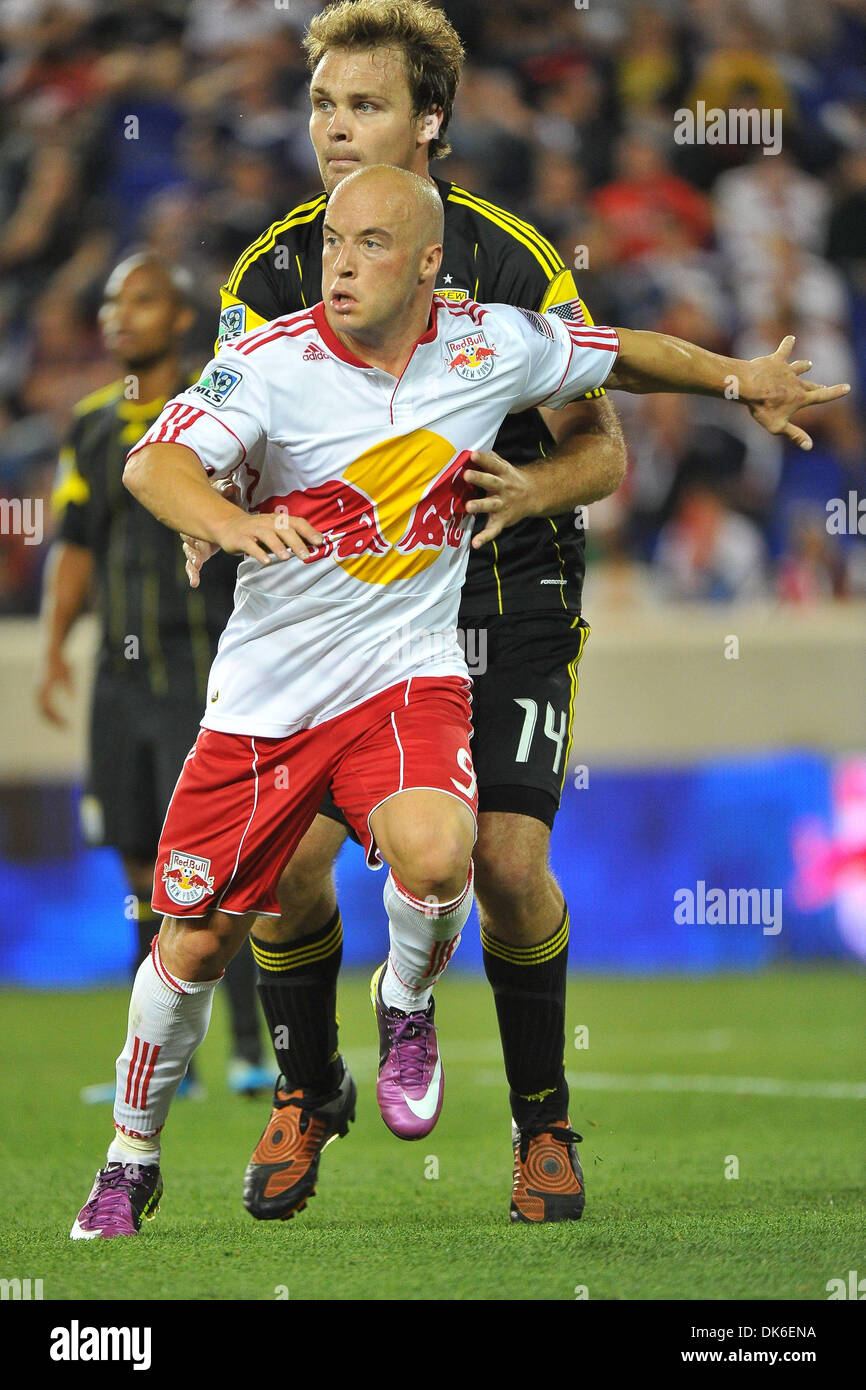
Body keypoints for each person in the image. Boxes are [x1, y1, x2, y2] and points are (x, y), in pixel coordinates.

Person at [69, 163, 847, 1239]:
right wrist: (233, 520)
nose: (340, 263)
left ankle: (405, 1006)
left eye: (372, 245)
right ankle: (130, 1155)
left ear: (428, 261)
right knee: (192, 945)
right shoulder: (268, 362)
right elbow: (156, 466)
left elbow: (623, 357)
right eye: (335, 242)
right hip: (266, 706)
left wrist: (740, 377)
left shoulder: (488, 343)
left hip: (405, 680)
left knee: (446, 854)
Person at [205, 0, 630, 1228]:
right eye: (323, 104)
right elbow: (223, 441)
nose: (336, 129)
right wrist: (208, 516)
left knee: (502, 860)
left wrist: (530, 482)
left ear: (428, 121)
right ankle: (309, 1089)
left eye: (365, 105)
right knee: (282, 867)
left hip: (501, 584)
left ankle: (542, 1127)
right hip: (337, 598)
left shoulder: (507, 257)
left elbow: (599, 451)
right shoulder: (269, 266)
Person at [37, 252, 274, 1100]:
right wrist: (56, 648)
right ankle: (171, 1062)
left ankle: (253, 1050)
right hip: (119, 677)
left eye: (140, 299)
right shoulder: (94, 426)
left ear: (181, 319)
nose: (117, 314)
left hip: (204, 671)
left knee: (214, 867)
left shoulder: (222, 411)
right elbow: (75, 544)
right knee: (142, 866)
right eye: (107, 300)